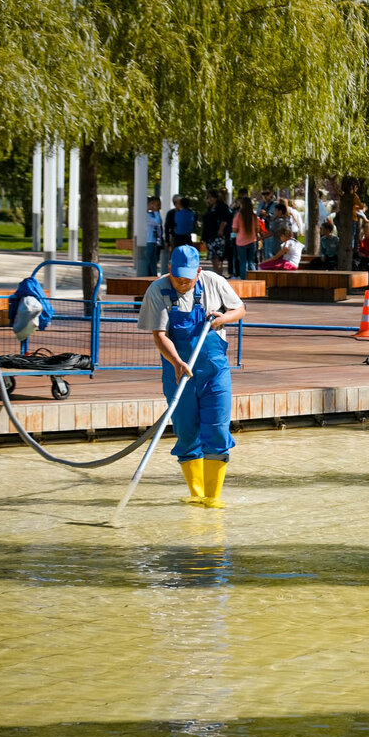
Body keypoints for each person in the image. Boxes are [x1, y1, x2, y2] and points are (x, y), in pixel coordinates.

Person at [137, 245, 246, 508]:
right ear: (170, 272)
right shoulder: (158, 290)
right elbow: (160, 335)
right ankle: (196, 494)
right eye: (177, 278)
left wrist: (221, 319)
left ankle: (213, 497)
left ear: (198, 272)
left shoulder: (214, 282)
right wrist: (176, 361)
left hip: (214, 370)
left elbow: (239, 309)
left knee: (217, 429)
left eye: (187, 278)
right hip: (178, 371)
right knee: (186, 431)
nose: (182, 283)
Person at [202, 190, 231, 276]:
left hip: (218, 236)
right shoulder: (210, 208)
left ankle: (219, 273)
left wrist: (221, 229)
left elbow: (224, 220)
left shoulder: (222, 207)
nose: (210, 199)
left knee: (219, 257)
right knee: (212, 257)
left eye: (212, 197)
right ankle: (216, 272)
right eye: (209, 197)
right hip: (209, 235)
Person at [232, 196, 260, 277]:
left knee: (243, 262)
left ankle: (244, 279)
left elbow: (234, 229)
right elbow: (257, 229)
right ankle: (254, 278)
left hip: (241, 242)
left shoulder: (238, 215)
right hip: (252, 240)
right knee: (251, 262)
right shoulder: (254, 216)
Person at [144, 196, 163, 277]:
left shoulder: (153, 214)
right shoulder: (147, 215)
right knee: (148, 261)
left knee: (154, 261)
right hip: (149, 240)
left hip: (155, 241)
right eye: (155, 204)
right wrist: (156, 212)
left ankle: (153, 276)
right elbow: (158, 222)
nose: (157, 206)